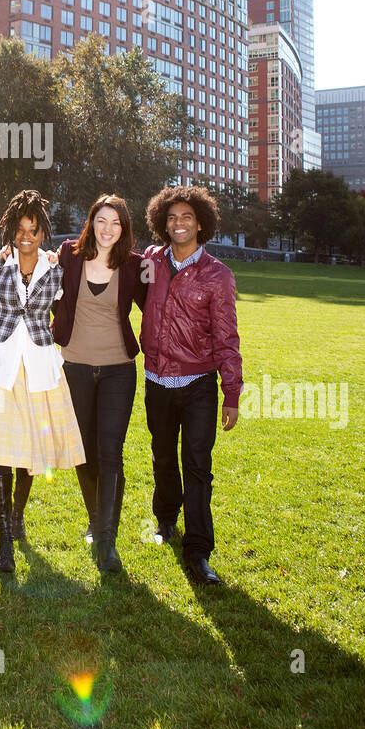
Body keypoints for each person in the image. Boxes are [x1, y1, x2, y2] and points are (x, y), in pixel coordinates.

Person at [0, 189, 85, 574]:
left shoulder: (56, 270)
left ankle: (17, 517)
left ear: (42, 232)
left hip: (38, 367)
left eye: (33, 230)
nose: (26, 236)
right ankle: (4, 542)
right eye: (19, 229)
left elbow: (65, 318)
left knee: (28, 448)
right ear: (10, 232)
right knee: (0, 451)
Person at [141, 185, 243, 586]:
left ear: (201, 223)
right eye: (171, 218)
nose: (178, 224)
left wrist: (231, 394)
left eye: (186, 217)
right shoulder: (150, 262)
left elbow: (227, 338)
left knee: (197, 465)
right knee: (163, 456)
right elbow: (109, 262)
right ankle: (166, 521)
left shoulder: (218, 276)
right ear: (162, 223)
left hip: (199, 382)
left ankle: (198, 551)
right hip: (155, 381)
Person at [51, 194, 149, 574]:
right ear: (91, 222)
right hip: (74, 366)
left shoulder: (136, 265)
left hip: (117, 370)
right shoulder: (69, 256)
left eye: (117, 223)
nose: (108, 229)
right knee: (83, 450)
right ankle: (95, 517)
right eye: (102, 220)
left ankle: (106, 540)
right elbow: (41, 280)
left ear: (124, 229)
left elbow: (158, 304)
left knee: (110, 452)